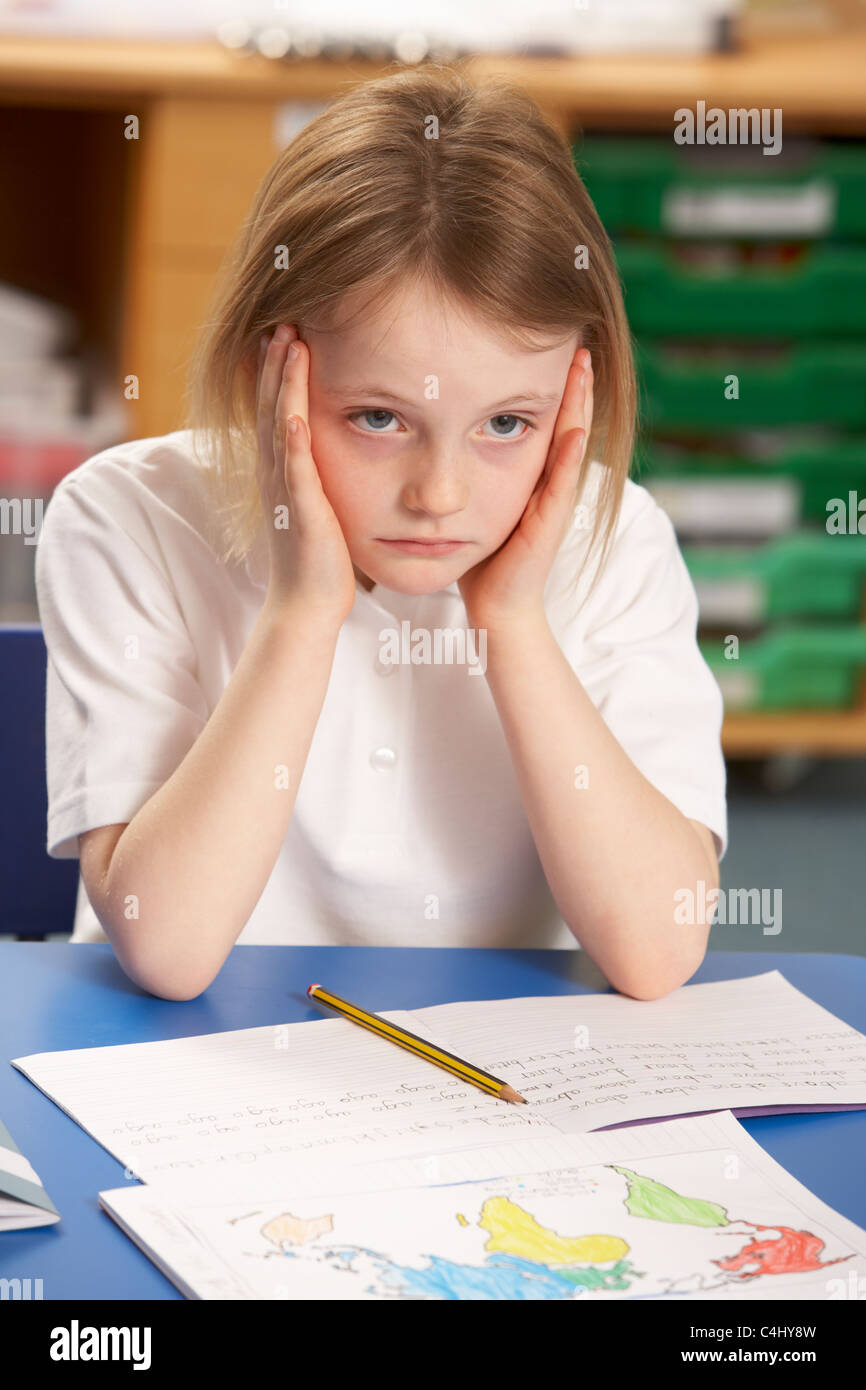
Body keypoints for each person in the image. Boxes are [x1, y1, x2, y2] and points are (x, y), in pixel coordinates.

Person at [35, 63, 726, 1002]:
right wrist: (302, 611)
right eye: (378, 419)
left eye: (506, 425)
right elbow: (171, 950)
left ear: (575, 395)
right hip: (201, 1075)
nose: (440, 495)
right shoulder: (127, 517)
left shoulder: (620, 542)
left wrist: (514, 626)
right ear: (262, 377)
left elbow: (656, 953)